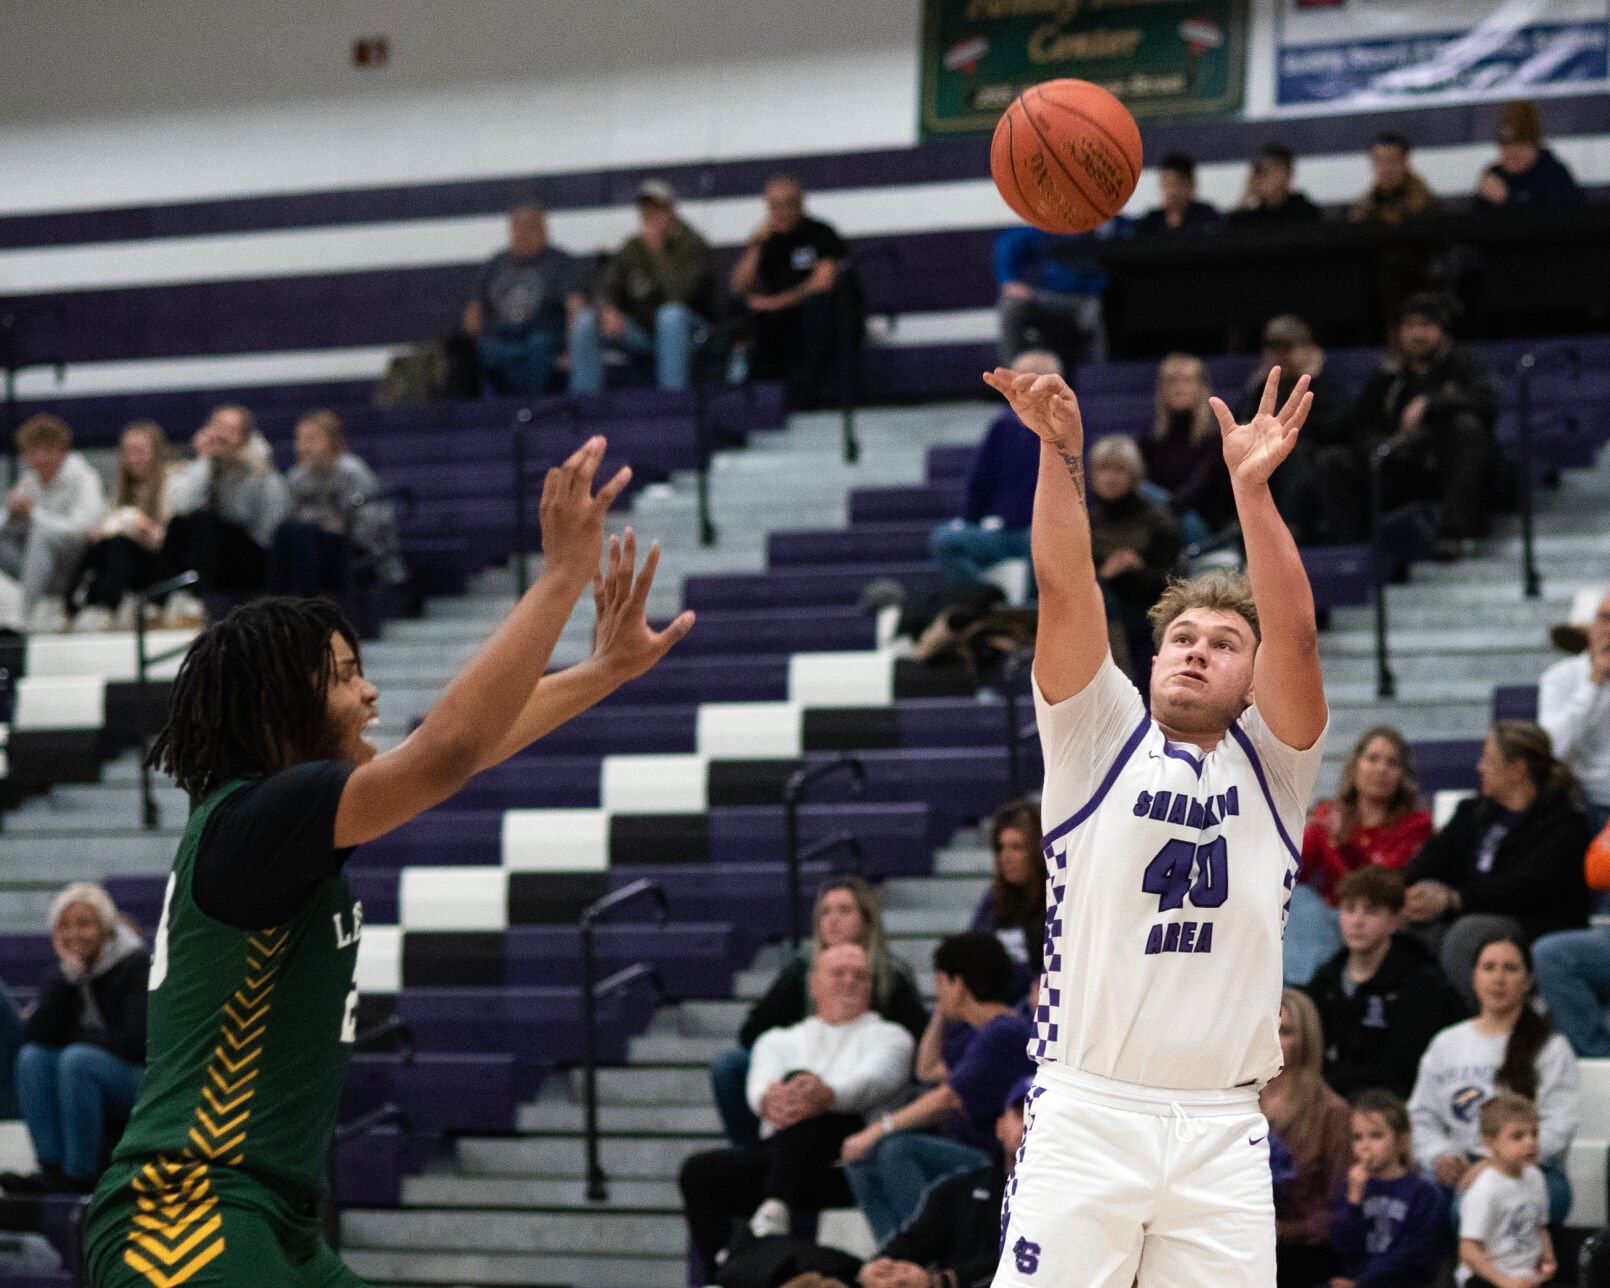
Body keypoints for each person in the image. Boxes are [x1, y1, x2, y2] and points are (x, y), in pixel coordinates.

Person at [80, 438, 694, 1288]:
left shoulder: (274, 821)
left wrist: (602, 671)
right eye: (344, 677)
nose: (368, 694)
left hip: (272, 1217)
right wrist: (558, 579)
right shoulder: (261, 817)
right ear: (276, 712)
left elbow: (459, 751)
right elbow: (444, 751)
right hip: (188, 1211)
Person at [982, 354, 1329, 1287]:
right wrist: (1062, 453)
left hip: (1222, 1129)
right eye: (1182, 637)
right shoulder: (1098, 735)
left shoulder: (1277, 765)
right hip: (1088, 1112)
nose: (1197, 652)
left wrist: (1251, 493)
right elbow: (1065, 588)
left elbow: (1293, 634)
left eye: (1224, 645)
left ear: (1251, 682)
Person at [677, 943, 913, 1273]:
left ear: (871, 988)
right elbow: (759, 1090)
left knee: (805, 1088)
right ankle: (723, 1271)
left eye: (859, 976)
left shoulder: (892, 1036)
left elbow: (871, 1082)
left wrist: (823, 1094)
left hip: (844, 1163)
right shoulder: (777, 1039)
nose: (849, 982)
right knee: (700, 1171)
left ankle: (776, 1205)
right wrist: (771, 1099)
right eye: (838, 974)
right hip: (780, 1157)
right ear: (813, 985)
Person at [841, 934, 1032, 1248]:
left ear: (957, 983)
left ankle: (929, 1250)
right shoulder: (980, 1031)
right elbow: (927, 1070)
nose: (936, 991)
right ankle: (897, 1257)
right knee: (859, 1163)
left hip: (994, 1162)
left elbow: (947, 1096)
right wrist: (942, 1012)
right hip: (967, 1152)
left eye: (941, 983)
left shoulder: (1005, 1032)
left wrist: (877, 1129)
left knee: (896, 1149)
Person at [711, 878, 927, 1147]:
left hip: (863, 1075)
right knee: (730, 1067)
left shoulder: (890, 975)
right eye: (825, 912)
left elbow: (918, 1043)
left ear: (867, 920)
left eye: (844, 911)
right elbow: (753, 1031)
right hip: (802, 1065)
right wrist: (782, 1077)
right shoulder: (801, 968)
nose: (832, 920)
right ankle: (756, 1152)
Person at [1402, 721, 1592, 1001]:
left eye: (1488, 759)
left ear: (1517, 768)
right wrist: (1419, 891)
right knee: (1406, 929)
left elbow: (1526, 887)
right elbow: (1431, 858)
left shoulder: (1565, 823)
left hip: (1530, 924)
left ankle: (1490, 1027)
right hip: (1467, 911)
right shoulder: (1474, 812)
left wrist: (1455, 899)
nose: (1480, 767)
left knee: (1468, 935)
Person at [1408, 934, 1578, 1224]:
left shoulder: (1551, 1048)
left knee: (1472, 1208)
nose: (1498, 978)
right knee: (1412, 1204)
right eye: (1489, 967)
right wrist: (1441, 1156)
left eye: (1510, 968)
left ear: (1527, 981)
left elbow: (1558, 1126)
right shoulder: (1446, 1043)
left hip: (1529, 1169)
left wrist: (1498, 1163)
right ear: (1474, 977)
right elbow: (1421, 1116)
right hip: (1461, 1165)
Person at [1316, 293, 1498, 559]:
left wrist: (1431, 403)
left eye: (1425, 325)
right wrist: (1383, 444)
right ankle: (1353, 552)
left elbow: (1487, 403)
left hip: (1446, 469)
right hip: (1400, 465)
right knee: (1331, 460)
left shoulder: (1466, 366)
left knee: (1467, 428)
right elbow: (1359, 425)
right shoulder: (1389, 376)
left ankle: (1451, 534)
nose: (1417, 334)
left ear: (1442, 330)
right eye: (1410, 326)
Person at [2, 884, 148, 1196]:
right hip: (86, 1067)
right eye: (65, 926)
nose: (75, 934)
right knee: (32, 1060)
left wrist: (80, 1041)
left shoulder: (135, 964)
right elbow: (38, 1037)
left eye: (84, 924)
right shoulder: (63, 973)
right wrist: (68, 979)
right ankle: (51, 1168)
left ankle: (80, 1173)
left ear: (106, 927)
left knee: (77, 1059)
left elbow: (136, 1042)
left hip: (139, 1079)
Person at [1306, 867, 1465, 1101]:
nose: (1357, 922)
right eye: (1349, 910)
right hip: (1334, 1097)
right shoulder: (1328, 977)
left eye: (1371, 912)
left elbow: (1403, 1067)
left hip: (1396, 1101)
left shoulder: (1421, 983)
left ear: (1395, 922)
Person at [858, 1075, 1032, 1288]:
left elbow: (1031, 1262)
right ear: (1000, 1127)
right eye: (1020, 1114)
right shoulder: (958, 1189)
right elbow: (913, 1242)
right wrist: (878, 1268)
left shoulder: (1070, 1200)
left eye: (1040, 1117)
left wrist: (942, 1281)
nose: (1029, 1125)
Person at [571, 179, 713, 396]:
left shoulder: (692, 244)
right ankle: (583, 405)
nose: (650, 215)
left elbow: (680, 295)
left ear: (671, 210)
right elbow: (606, 288)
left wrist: (658, 253)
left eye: (657, 209)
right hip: (644, 333)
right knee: (585, 321)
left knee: (670, 315)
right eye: (646, 209)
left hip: (690, 331)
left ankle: (672, 401)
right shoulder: (632, 248)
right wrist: (607, 309)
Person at [930, 351, 1053, 594]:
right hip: (1002, 531)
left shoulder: (1070, 425)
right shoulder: (1003, 425)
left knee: (1042, 541)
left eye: (1036, 377)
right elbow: (980, 482)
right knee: (945, 539)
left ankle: (1035, 615)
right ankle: (986, 597)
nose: (1029, 384)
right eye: (1021, 377)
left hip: (1047, 531)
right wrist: (968, 520)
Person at [160, 405, 290, 620]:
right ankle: (162, 599)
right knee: (179, 524)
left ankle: (201, 597)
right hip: (214, 552)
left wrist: (236, 470)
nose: (220, 436)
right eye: (217, 428)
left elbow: (268, 529)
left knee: (207, 522)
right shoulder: (206, 467)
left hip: (253, 554)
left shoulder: (261, 472)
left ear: (245, 437)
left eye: (229, 430)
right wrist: (205, 462)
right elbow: (184, 507)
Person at [728, 175, 848, 407]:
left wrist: (775, 303)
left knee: (817, 306)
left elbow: (824, 282)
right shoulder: (766, 239)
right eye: (775, 205)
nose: (782, 211)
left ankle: (810, 394)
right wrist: (755, 246)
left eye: (788, 204)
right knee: (740, 307)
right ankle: (750, 394)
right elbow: (737, 285)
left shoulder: (821, 233)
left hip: (817, 315)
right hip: (780, 318)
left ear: (801, 203)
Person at [1262, 989, 1351, 1288]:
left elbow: (1340, 1207)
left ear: (1306, 1039)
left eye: (1285, 1031)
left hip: (1300, 1253)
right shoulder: (1235, 1101)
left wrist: (1284, 1231)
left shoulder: (1332, 1113)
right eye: (1268, 1029)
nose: (1273, 1040)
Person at [1234, 316, 1350, 542]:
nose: (1280, 356)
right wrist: (1253, 386)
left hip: (1311, 457)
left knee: (1291, 452)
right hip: (1267, 458)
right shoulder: (1262, 386)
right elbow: (1242, 421)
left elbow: (1338, 426)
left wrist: (1315, 379)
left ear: (1309, 349)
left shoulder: (1324, 383)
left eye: (1287, 349)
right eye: (1273, 349)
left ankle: (1289, 527)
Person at [269, 410, 403, 597]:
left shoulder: (352, 471)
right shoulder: (297, 476)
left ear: (330, 439)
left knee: (304, 533)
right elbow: (288, 517)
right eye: (299, 439)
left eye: (311, 439)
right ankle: (280, 602)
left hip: (356, 550)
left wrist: (325, 527)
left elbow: (369, 526)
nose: (303, 446)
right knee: (287, 532)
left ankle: (307, 603)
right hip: (312, 547)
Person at [1328, 1089, 1451, 1288]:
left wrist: (1363, 1284)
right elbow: (1344, 1248)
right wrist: (1353, 1201)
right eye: (1357, 1137)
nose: (1365, 1146)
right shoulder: (1350, 1187)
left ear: (1402, 1142)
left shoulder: (1424, 1194)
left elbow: (1414, 1256)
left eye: (1376, 1136)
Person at [464, 203, 587, 396]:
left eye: (530, 227)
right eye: (518, 228)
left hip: (543, 336)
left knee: (538, 346)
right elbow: (474, 311)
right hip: (502, 338)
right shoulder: (495, 264)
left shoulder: (560, 262)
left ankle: (532, 411)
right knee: (479, 354)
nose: (523, 234)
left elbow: (576, 308)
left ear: (544, 230)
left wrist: (571, 353)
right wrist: (473, 340)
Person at [1085, 434, 1180, 680]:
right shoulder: (1086, 521)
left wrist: (1136, 568)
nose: (1109, 477)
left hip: (1150, 604)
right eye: (1103, 469)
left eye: (1118, 470)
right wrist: (1104, 573)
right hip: (1102, 609)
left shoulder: (1158, 518)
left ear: (1134, 474)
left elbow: (1174, 579)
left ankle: (1120, 680)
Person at [0, 413, 105, 634]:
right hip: (37, 565)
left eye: (48, 451)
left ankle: (25, 614)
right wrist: (10, 513)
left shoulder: (83, 476)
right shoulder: (30, 480)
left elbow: (84, 527)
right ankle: (33, 603)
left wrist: (34, 514)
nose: (41, 459)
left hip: (78, 559)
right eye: (33, 452)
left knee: (42, 534)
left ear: (63, 451)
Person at [1302, 728, 1433, 904]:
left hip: (1385, 921)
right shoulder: (1329, 814)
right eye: (1373, 759)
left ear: (1403, 774)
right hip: (1331, 917)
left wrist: (1342, 846)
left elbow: (1378, 890)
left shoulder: (1416, 825)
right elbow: (1295, 875)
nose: (1381, 769)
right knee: (1301, 897)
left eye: (1392, 763)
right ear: (1356, 765)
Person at [68, 421, 177, 632]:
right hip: (127, 564)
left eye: (140, 451)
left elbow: (176, 541)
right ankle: (84, 606)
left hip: (161, 565)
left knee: (119, 542)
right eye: (128, 452)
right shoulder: (119, 493)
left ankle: (100, 607)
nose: (133, 458)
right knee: (104, 543)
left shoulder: (173, 484)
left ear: (156, 452)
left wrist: (147, 530)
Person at [1456, 1094, 1556, 1288]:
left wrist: (1547, 1257)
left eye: (1534, 1133)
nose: (1530, 1142)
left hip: (1526, 1277)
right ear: (1490, 1143)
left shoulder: (1536, 1177)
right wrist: (1505, 1282)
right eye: (1518, 1136)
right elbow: (1468, 1250)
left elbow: (1539, 1227)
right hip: (1488, 1277)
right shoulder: (1485, 1190)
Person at [1138, 353, 1233, 546]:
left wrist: (1162, 511)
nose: (1179, 388)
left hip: (1202, 523)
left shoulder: (1215, 436)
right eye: (1172, 381)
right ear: (1162, 389)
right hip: (1163, 519)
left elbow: (1196, 490)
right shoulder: (1150, 435)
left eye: (1187, 381)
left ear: (1201, 388)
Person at [1537, 584, 1610, 831]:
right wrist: (1594, 683)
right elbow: (1552, 748)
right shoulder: (1560, 677)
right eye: (1605, 619)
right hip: (1582, 800)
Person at [993, 224, 1110, 371]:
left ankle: (1101, 378)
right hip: (1050, 300)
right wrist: (1008, 280)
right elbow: (1009, 242)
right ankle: (1011, 379)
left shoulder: (1105, 224)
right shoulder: (1049, 225)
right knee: (1011, 304)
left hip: (1090, 299)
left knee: (1101, 309)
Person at [968, 798, 1046, 998]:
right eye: (1001, 847)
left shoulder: (1059, 901)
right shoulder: (993, 901)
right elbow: (971, 954)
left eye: (1016, 847)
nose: (1005, 857)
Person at [1475, 100, 1583, 210]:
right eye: (1505, 143)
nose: (1512, 151)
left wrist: (1509, 199)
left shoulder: (1555, 177)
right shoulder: (1495, 177)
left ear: (1534, 144)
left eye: (1519, 143)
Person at [1350, 133, 1439, 226]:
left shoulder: (1427, 206)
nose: (1385, 169)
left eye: (1391, 161)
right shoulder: (1362, 209)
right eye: (1379, 161)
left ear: (1405, 161)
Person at [1228, 143, 1322, 227]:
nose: (1265, 176)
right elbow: (1229, 235)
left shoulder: (1303, 210)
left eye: (1271, 170)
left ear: (1287, 173)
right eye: (1262, 171)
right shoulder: (1253, 217)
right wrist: (1246, 195)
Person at [1134, 153, 1220, 238]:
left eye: (1178, 183)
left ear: (1191, 185)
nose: (1172, 191)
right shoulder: (1151, 222)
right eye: (1166, 183)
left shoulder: (1207, 217)